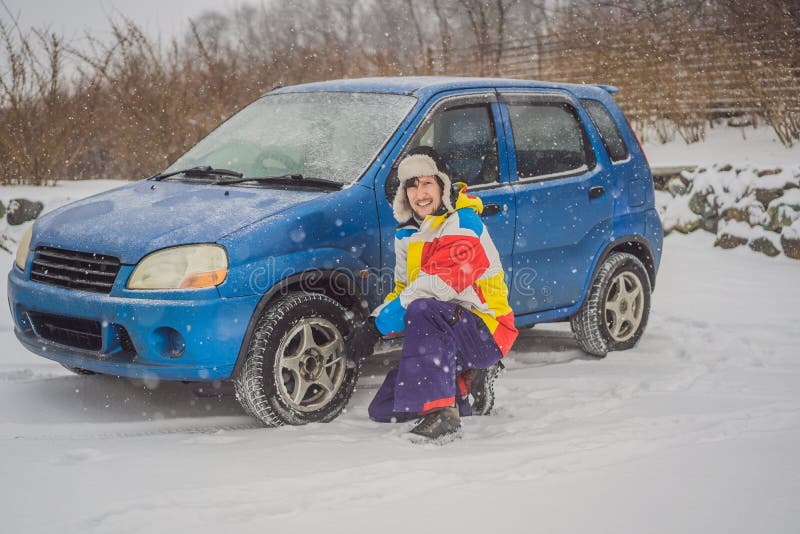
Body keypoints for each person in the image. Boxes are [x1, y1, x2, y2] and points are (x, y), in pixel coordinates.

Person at [365, 146, 518, 443]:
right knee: (383, 409)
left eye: (427, 183)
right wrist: (371, 321)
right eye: (412, 185)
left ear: (443, 185)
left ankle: (444, 416)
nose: (420, 193)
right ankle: (464, 385)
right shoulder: (407, 234)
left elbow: (440, 286)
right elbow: (402, 290)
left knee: (424, 308)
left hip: (487, 329)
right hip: (448, 330)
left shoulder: (463, 224)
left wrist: (377, 326)